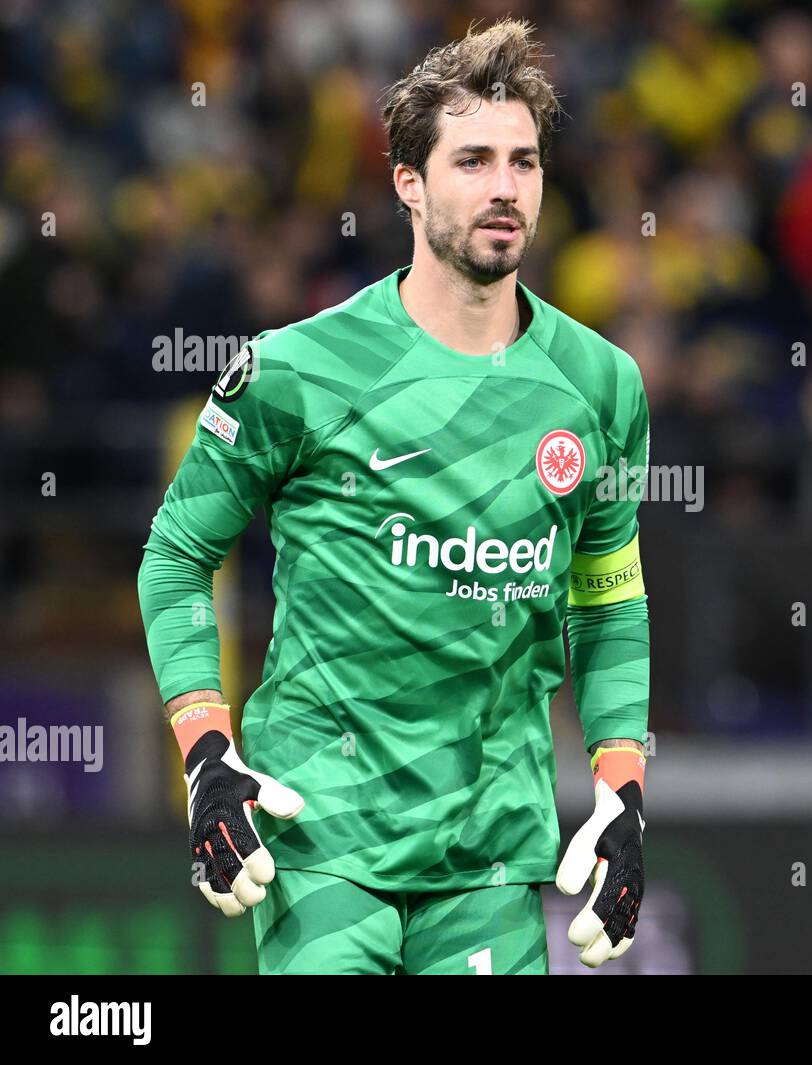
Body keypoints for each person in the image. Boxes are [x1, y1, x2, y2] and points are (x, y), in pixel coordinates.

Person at [137, 17, 649, 975]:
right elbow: (175, 557)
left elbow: (610, 595)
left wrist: (622, 788)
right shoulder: (294, 370)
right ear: (408, 183)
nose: (504, 188)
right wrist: (207, 751)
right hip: (324, 831)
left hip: (491, 849)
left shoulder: (604, 384)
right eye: (473, 161)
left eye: (524, 162)